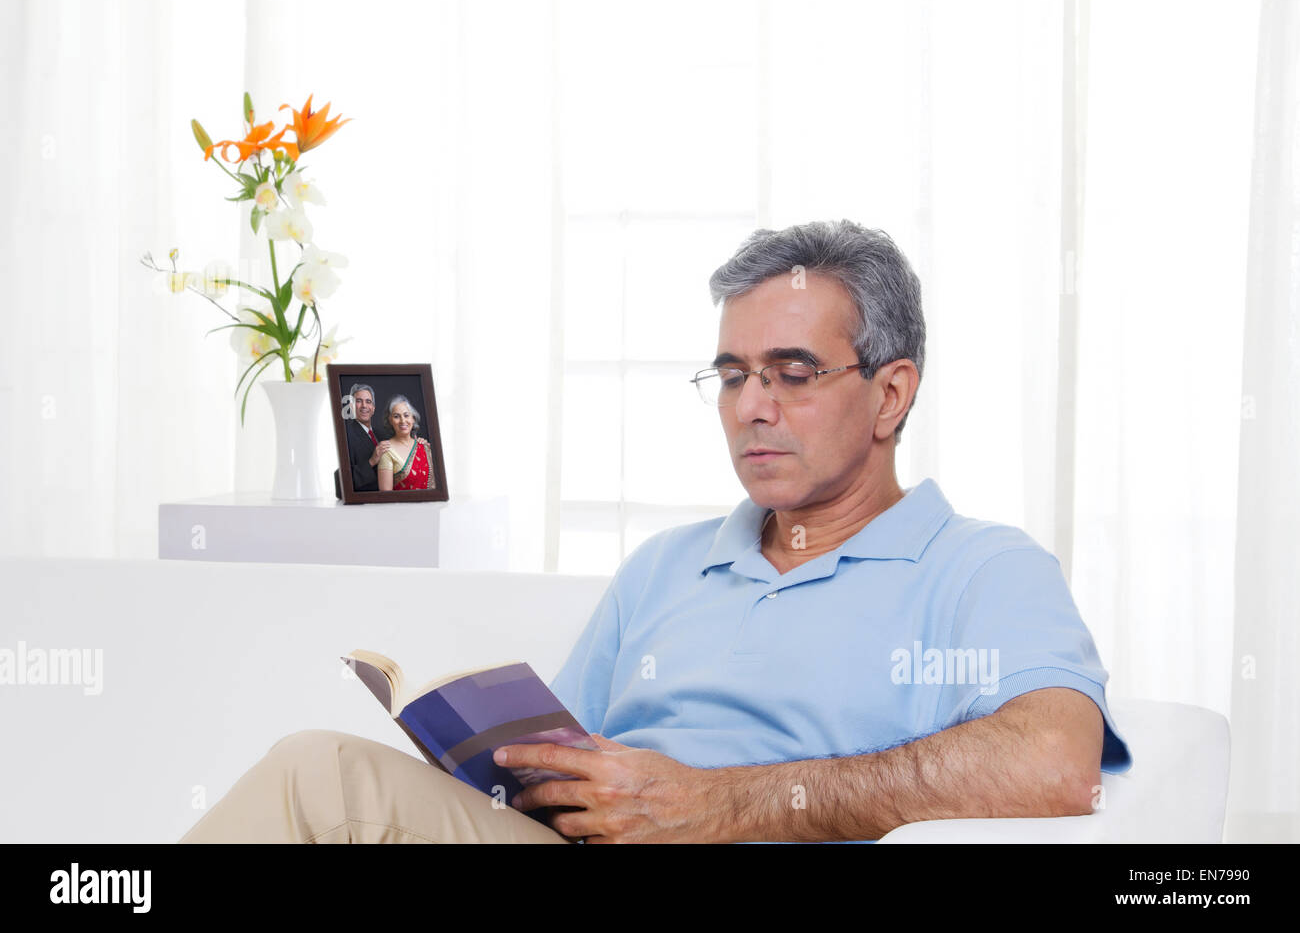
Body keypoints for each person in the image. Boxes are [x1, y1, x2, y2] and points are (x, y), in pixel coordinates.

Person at [180, 219, 1131, 844]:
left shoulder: (982, 568)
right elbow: (572, 774)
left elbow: (1057, 764)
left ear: (891, 392)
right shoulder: (668, 568)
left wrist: (725, 805)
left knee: (317, 779)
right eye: (731, 374)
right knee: (325, 776)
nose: (751, 407)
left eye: (792, 373)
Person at [334, 383, 391, 496]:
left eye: (368, 401)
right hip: (364, 506)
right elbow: (340, 484)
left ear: (373, 408)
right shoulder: (346, 436)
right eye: (359, 401)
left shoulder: (382, 435)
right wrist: (372, 461)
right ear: (351, 406)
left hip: (389, 501)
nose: (364, 405)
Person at [375, 396, 436, 492]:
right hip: (401, 506)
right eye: (396, 416)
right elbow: (386, 497)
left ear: (413, 419)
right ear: (390, 421)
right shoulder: (386, 450)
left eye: (406, 415)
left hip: (432, 505)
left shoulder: (425, 447)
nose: (403, 421)